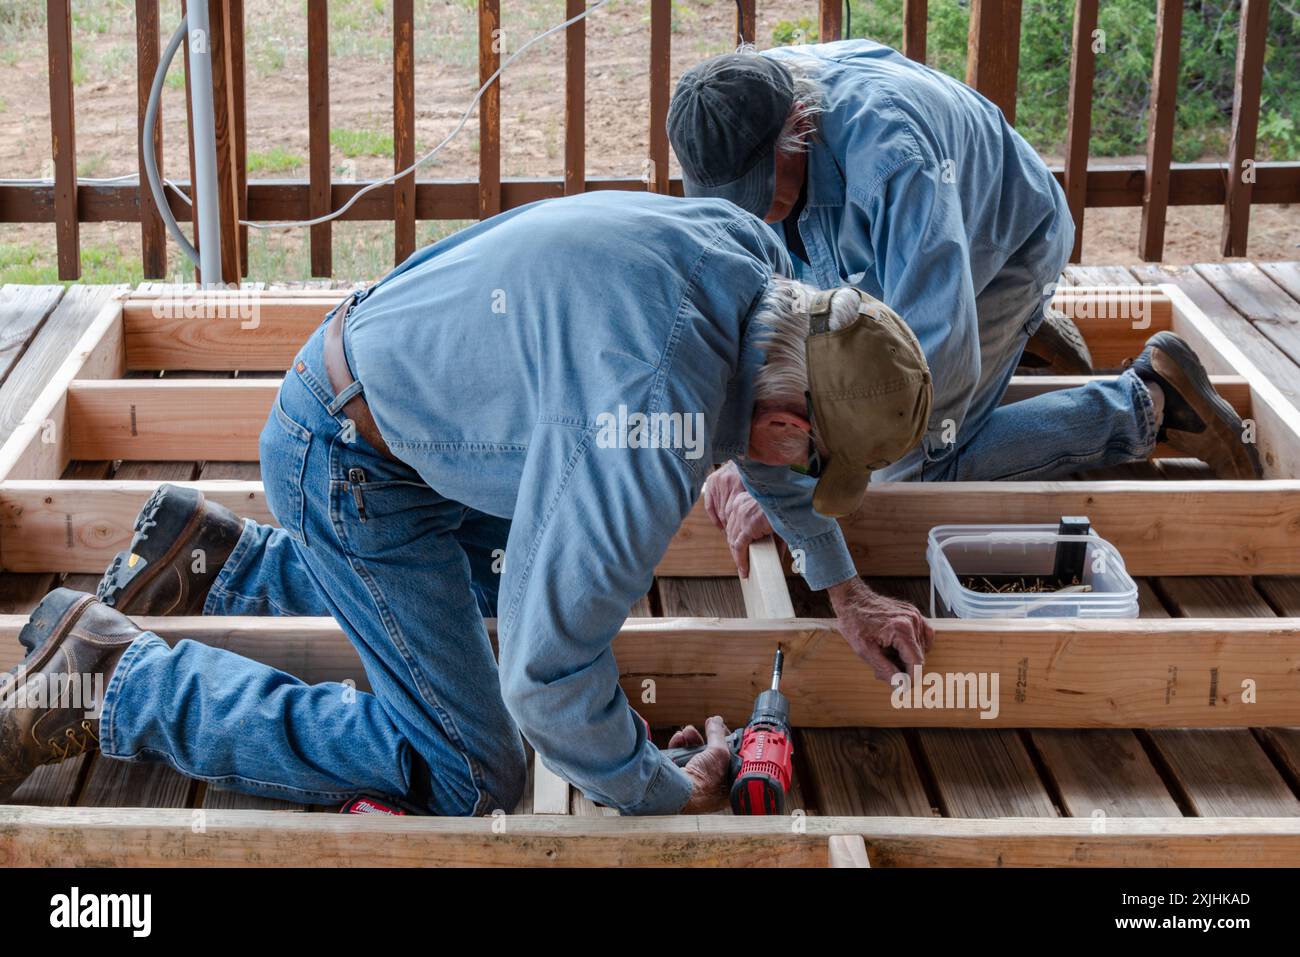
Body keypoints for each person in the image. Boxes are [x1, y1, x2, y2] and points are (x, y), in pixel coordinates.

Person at [0, 191, 935, 815]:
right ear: (787, 419)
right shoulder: (655, 412)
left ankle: (216, 560)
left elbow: (771, 432)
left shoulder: (756, 269)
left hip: (410, 404)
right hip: (350, 459)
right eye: (821, 466)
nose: (807, 484)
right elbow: (548, 680)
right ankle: (113, 679)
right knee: (471, 767)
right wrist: (659, 786)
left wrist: (840, 582)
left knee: (510, 592)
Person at [667, 39, 1261, 566]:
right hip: (909, 261)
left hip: (1004, 249)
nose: (753, 212)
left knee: (919, 461)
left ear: (800, 122)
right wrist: (751, 440)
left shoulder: (894, 159)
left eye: (761, 190)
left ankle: (1151, 402)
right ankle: (1019, 340)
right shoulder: (734, 107)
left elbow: (931, 361)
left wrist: (801, 475)